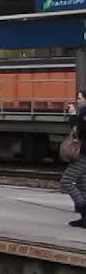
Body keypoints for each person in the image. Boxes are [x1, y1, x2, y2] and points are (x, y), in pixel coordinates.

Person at [61, 90, 86, 228]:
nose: (78, 101)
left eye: (80, 98)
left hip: (83, 153)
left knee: (67, 181)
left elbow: (78, 131)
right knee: (82, 185)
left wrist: (72, 115)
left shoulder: (84, 114)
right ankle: (84, 219)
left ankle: (83, 209)